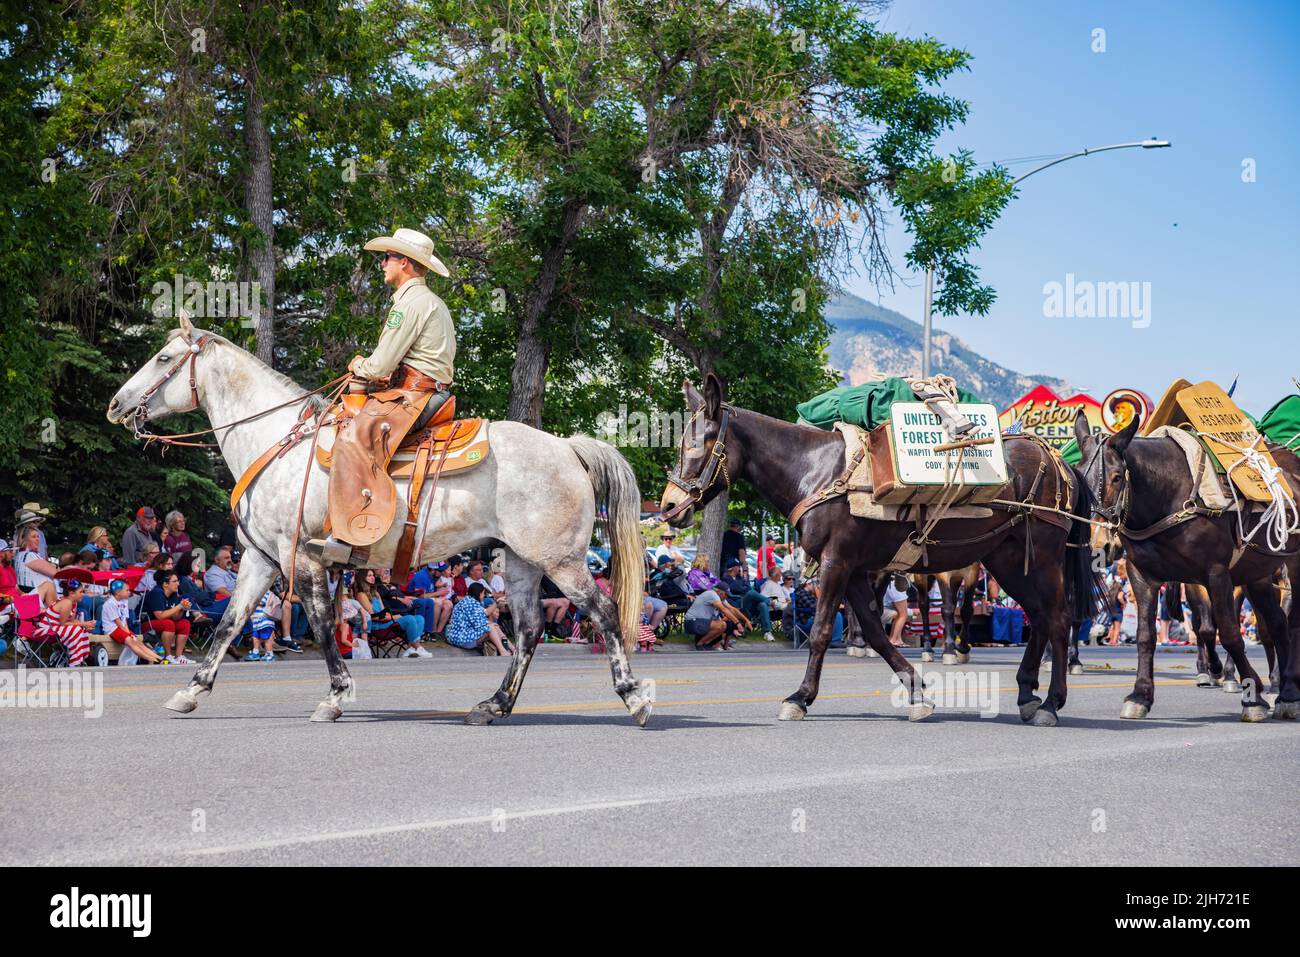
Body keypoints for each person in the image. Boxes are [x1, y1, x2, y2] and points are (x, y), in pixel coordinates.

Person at [309, 228, 457, 564]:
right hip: (426, 391)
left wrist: (362, 364)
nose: (382, 264)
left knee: (350, 439)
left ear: (404, 262)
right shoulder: (430, 302)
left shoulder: (410, 303)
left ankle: (351, 537)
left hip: (415, 395)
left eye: (386, 258)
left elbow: (382, 362)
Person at [99, 579, 166, 665]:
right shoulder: (110, 603)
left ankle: (158, 658)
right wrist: (128, 634)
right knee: (130, 641)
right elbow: (117, 621)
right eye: (126, 590)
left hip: (122, 628)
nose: (129, 592)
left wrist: (128, 632)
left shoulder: (124, 601)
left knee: (138, 642)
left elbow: (124, 620)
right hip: (112, 629)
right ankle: (151, 659)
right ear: (118, 592)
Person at [34, 579, 94, 666]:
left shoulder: (73, 602)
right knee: (76, 629)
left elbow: (71, 621)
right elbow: (63, 623)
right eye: (81, 592)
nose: (83, 594)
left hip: (55, 628)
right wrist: (84, 624)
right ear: (72, 593)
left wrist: (87, 624)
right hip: (44, 630)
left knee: (82, 629)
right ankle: (75, 661)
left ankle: (83, 657)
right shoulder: (67, 603)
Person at [141, 570, 196, 665]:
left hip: (163, 623)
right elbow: (160, 616)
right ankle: (168, 655)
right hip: (147, 624)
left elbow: (176, 617)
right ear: (165, 584)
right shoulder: (157, 592)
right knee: (168, 624)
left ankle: (179, 656)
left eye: (178, 581)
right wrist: (179, 606)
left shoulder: (173, 593)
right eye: (174, 581)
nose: (178, 584)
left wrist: (182, 608)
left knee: (184, 623)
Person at [445, 581, 510, 656]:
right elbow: (479, 624)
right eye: (483, 593)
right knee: (491, 627)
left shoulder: (466, 601)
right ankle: (503, 651)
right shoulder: (471, 604)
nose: (484, 596)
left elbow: (484, 613)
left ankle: (512, 649)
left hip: (459, 637)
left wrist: (496, 603)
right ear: (480, 593)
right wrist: (497, 603)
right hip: (463, 639)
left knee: (493, 626)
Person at [684, 585, 749, 651]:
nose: (727, 597)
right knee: (722, 624)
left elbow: (732, 609)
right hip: (692, 622)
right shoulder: (712, 594)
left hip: (700, 622)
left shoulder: (720, 597)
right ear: (720, 592)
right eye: (726, 594)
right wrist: (738, 623)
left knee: (725, 624)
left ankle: (706, 644)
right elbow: (724, 610)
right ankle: (699, 644)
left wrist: (746, 620)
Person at [723, 558, 772, 641]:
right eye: (738, 566)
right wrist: (744, 587)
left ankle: (767, 632)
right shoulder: (726, 578)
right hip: (736, 603)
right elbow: (739, 589)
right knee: (751, 593)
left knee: (762, 605)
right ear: (733, 568)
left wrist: (744, 585)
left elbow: (747, 587)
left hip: (747, 602)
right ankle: (769, 601)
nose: (739, 568)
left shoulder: (740, 578)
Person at [13, 527, 58, 606]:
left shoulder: (20, 555)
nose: (38, 539)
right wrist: (54, 566)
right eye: (33, 537)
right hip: (32, 599)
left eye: (38, 537)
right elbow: (55, 573)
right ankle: (53, 615)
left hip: (30, 596)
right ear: (24, 540)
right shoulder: (29, 555)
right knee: (49, 585)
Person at [243, 590, 281, 662]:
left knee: (266, 638)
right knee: (255, 637)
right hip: (257, 621)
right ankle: (255, 652)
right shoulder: (257, 592)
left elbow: (261, 601)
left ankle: (270, 654)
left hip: (265, 620)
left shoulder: (266, 592)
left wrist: (252, 599)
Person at [884, 576, 910, 648]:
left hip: (883, 608)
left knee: (899, 614)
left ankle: (898, 639)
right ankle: (894, 639)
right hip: (882, 611)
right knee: (903, 614)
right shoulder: (895, 585)